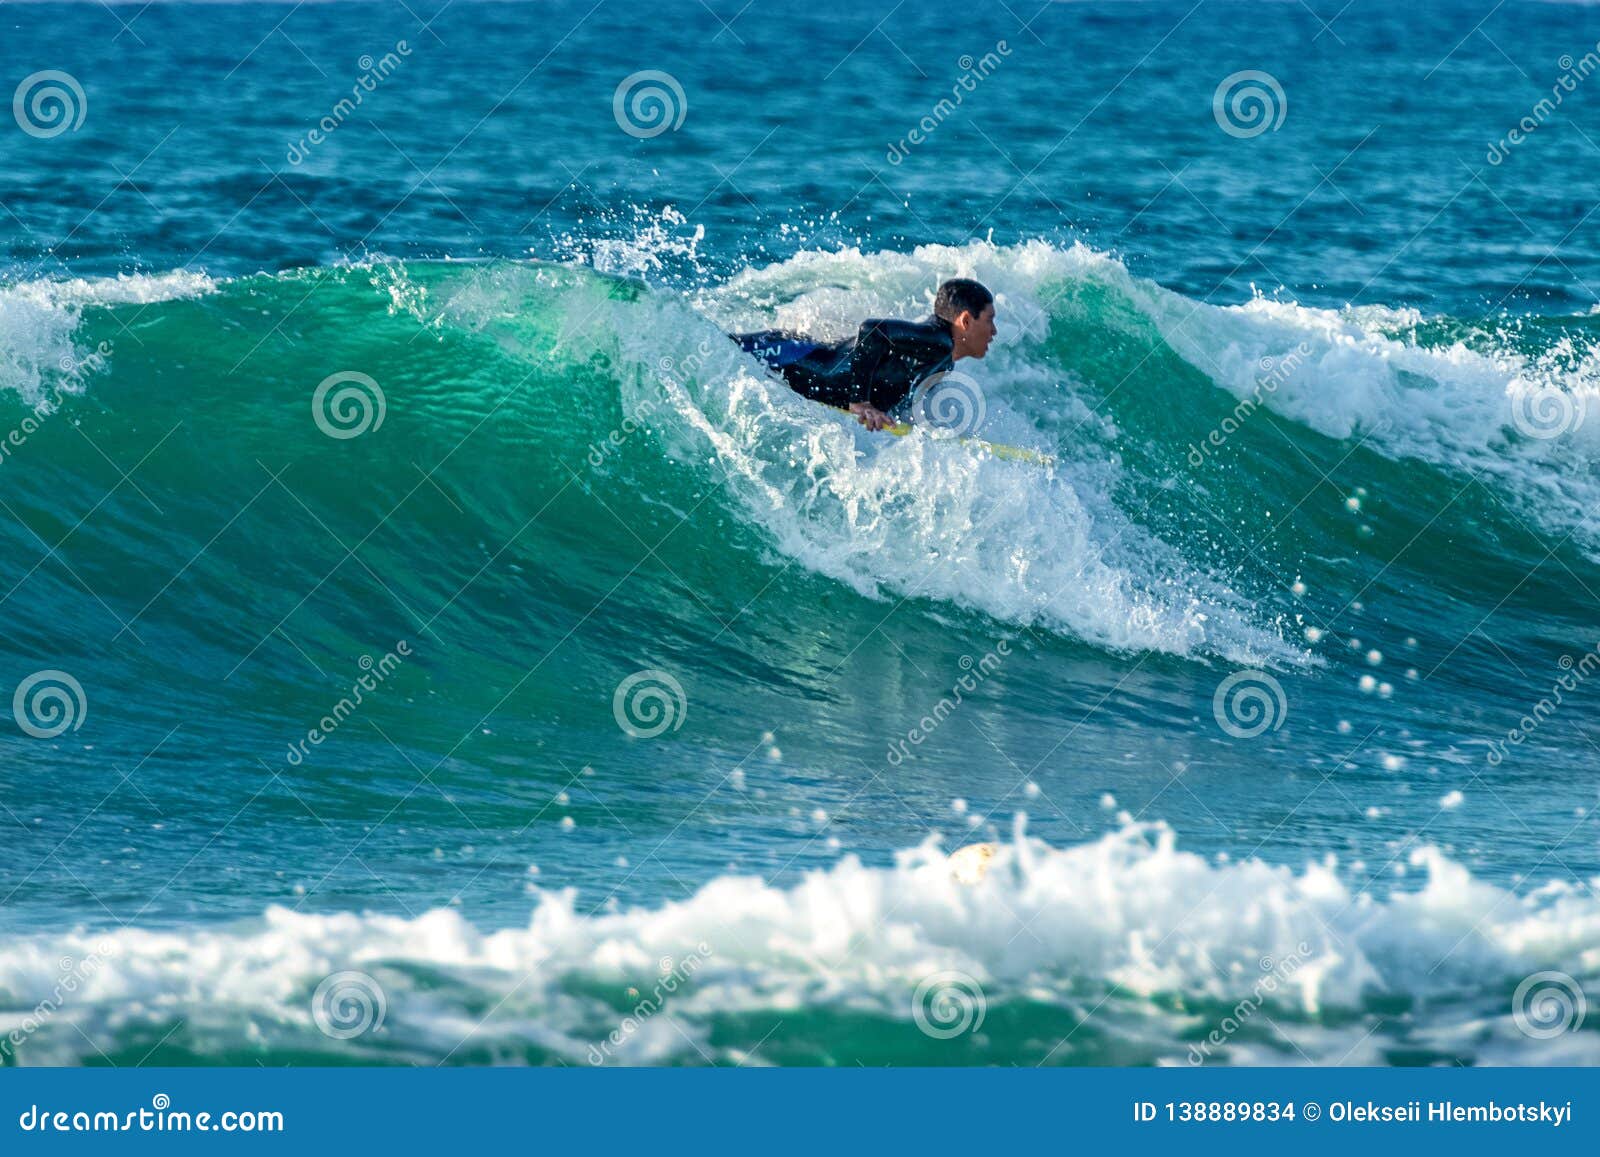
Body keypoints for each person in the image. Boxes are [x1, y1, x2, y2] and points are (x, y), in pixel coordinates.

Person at [734, 278, 996, 431]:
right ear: (965, 321)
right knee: (714, 344)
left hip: (802, 354)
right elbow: (872, 330)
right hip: (793, 357)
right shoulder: (937, 341)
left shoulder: (942, 360)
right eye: (989, 320)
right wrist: (860, 402)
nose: (993, 331)